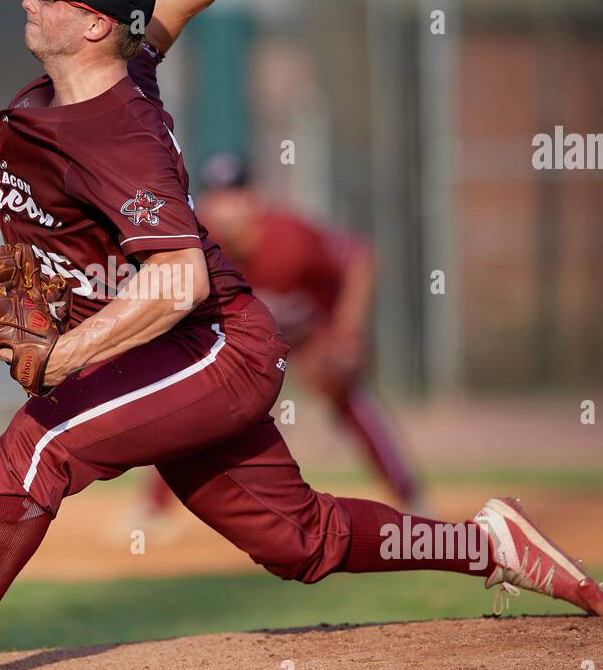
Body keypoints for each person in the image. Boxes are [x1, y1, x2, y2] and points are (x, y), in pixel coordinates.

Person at [0, 0, 603, 670]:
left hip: (211, 348)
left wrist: (66, 354)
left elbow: (179, 279)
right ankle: (487, 545)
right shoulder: (113, 74)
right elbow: (157, 18)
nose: (29, 0)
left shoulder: (118, 137)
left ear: (89, 26)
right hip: (166, 356)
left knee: (39, 442)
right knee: (297, 540)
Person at [134, 153, 426, 539]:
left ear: (255, 199)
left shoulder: (291, 237)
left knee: (353, 401)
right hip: (256, 337)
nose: (226, 208)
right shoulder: (204, 247)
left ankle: (413, 501)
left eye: (235, 195)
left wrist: (345, 328)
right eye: (217, 197)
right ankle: (153, 509)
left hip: (313, 332)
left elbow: (359, 256)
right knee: (197, 402)